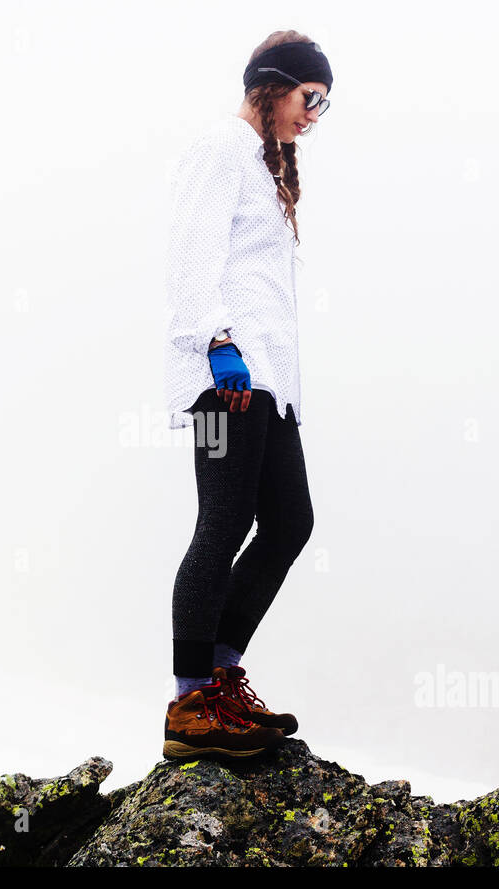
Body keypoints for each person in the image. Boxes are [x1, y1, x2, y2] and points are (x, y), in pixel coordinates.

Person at [161, 31, 333, 761]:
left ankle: (222, 680)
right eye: (310, 98)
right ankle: (189, 701)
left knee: (290, 522)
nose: (316, 114)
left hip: (269, 384)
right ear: (273, 85)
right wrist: (216, 343)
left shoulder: (267, 170)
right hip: (224, 373)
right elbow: (192, 252)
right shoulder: (222, 148)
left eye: (325, 104)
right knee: (223, 521)